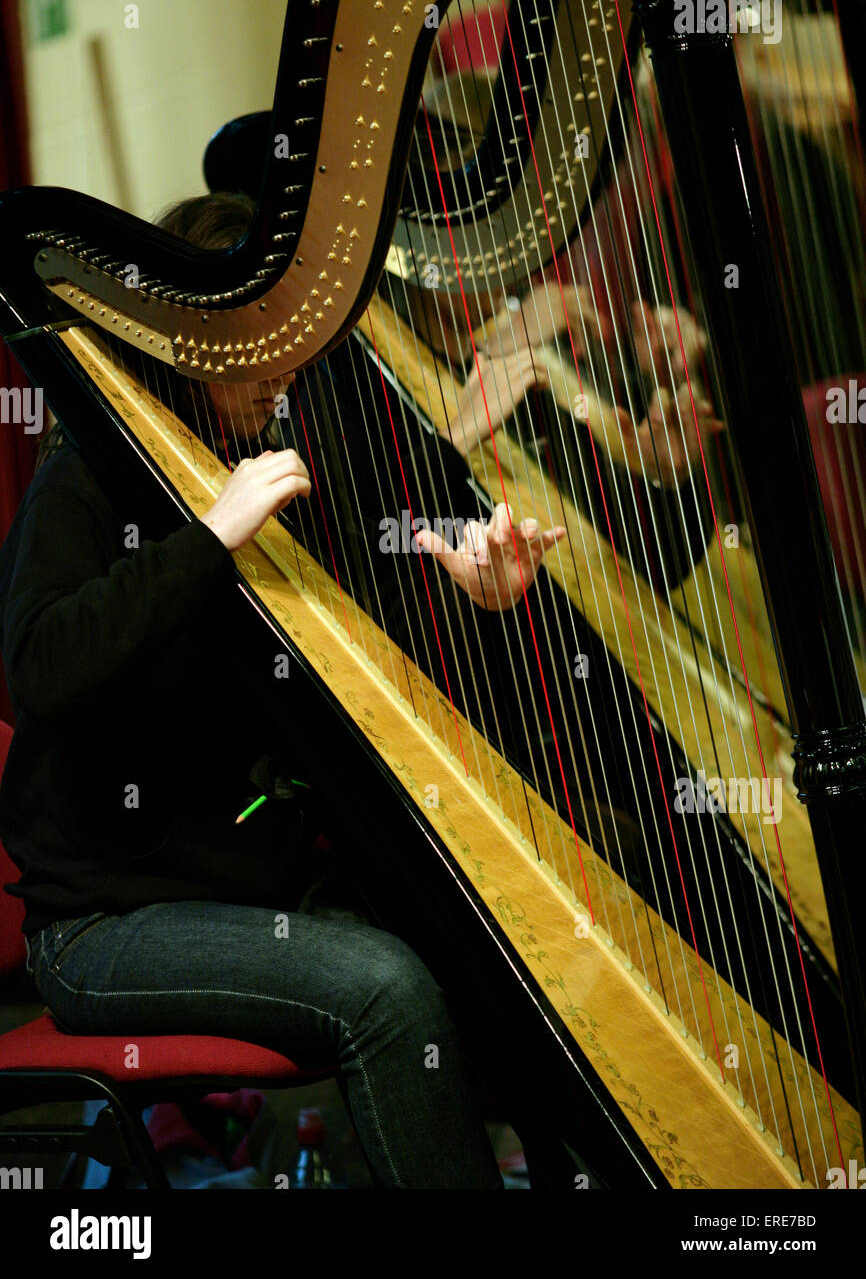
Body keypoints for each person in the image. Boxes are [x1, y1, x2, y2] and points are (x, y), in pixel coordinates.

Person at [0, 192, 565, 1190]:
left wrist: (477, 593)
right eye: (258, 347)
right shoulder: (86, 479)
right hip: (104, 925)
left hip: (251, 890)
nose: (286, 370)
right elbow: (40, 669)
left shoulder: (252, 460)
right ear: (191, 347)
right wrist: (208, 538)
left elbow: (347, 664)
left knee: (499, 936)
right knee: (383, 988)